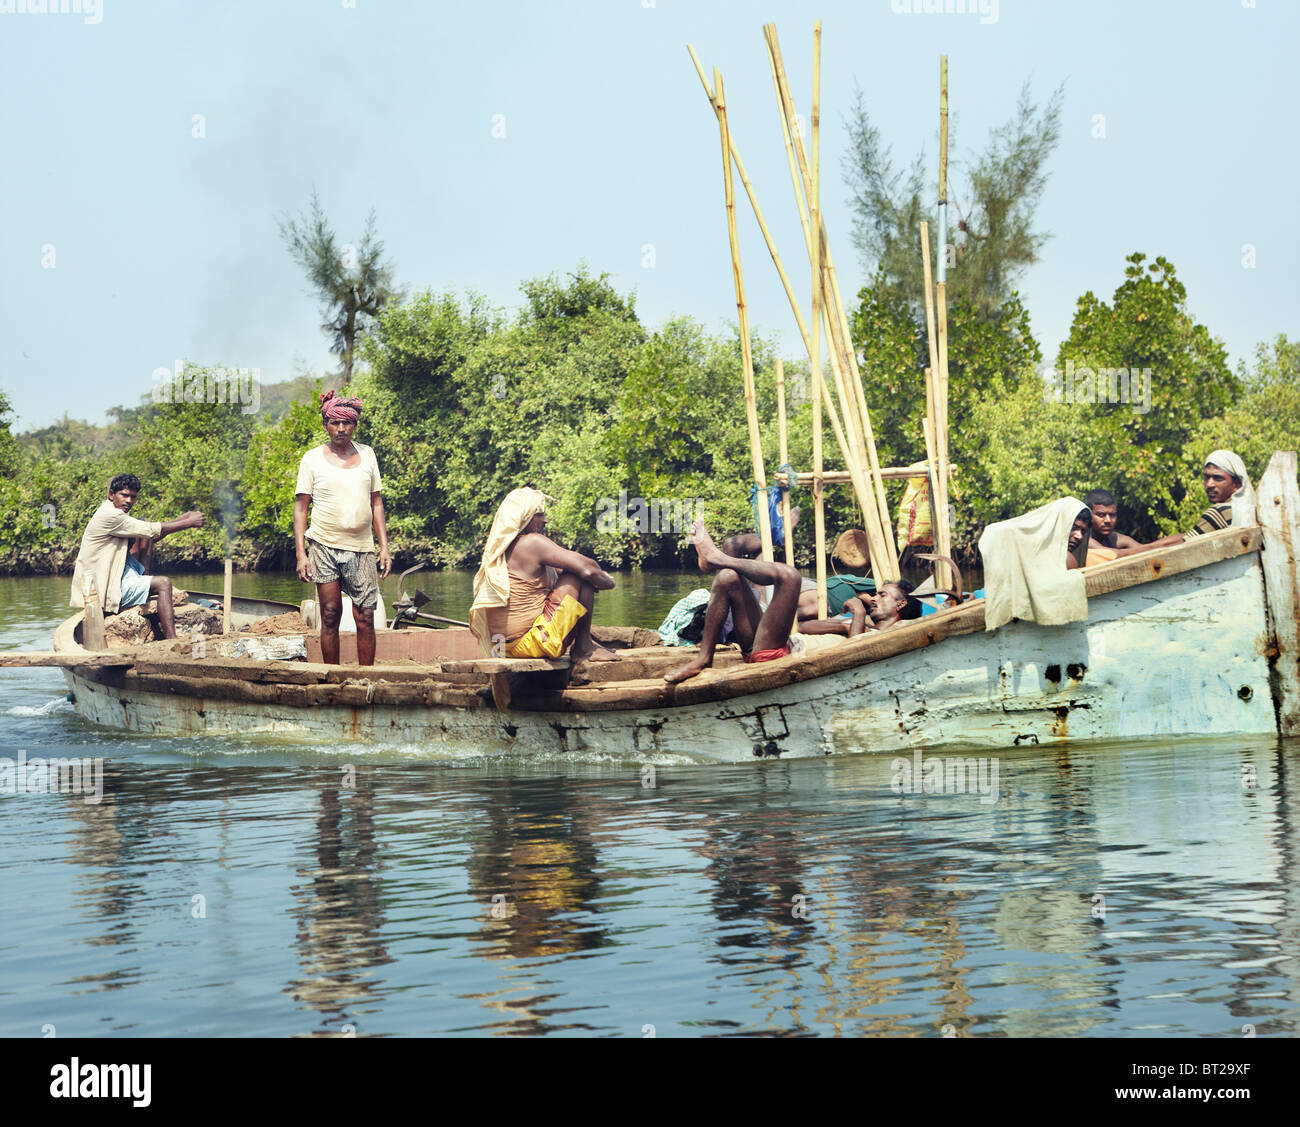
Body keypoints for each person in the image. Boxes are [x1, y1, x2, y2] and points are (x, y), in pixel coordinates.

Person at [294, 390, 391, 666]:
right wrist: (302, 554)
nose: (341, 429)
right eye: (335, 423)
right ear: (326, 425)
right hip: (323, 544)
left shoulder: (367, 455)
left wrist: (384, 547)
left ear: (354, 426)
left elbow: (376, 503)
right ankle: (332, 675)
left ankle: (367, 676)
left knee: (366, 615)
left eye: (346, 423)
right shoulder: (312, 459)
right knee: (330, 613)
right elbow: (301, 508)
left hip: (361, 547)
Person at [470, 487, 619, 662]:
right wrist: (608, 581)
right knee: (580, 574)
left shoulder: (507, 547)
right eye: (539, 515)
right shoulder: (531, 543)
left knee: (579, 574)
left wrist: (591, 577)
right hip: (528, 644)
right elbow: (587, 568)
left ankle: (585, 644)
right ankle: (583, 648)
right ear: (524, 517)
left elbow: (576, 570)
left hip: (501, 648)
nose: (546, 520)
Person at [69, 473, 206, 639]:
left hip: (120, 572)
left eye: (133, 497)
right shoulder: (110, 515)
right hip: (102, 588)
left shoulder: (116, 512)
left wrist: (184, 518)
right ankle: (171, 641)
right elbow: (151, 531)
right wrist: (188, 522)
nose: (128, 501)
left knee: (143, 523)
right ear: (112, 495)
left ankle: (143, 586)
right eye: (124, 495)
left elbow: (149, 534)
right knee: (164, 583)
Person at [1143, 450, 1257, 549]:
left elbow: (1180, 545)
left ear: (1237, 484)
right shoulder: (1247, 509)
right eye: (1207, 477)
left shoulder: (1220, 512)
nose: (1209, 484)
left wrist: (1129, 551)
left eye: (1218, 478)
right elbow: (1189, 536)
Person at [1083, 489, 1148, 552]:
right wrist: (1156, 545)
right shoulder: (1083, 540)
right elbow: (1113, 554)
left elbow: (1143, 550)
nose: (1108, 520)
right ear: (1088, 515)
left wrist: (1156, 546)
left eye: (1112, 515)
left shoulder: (1113, 538)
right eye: (1101, 515)